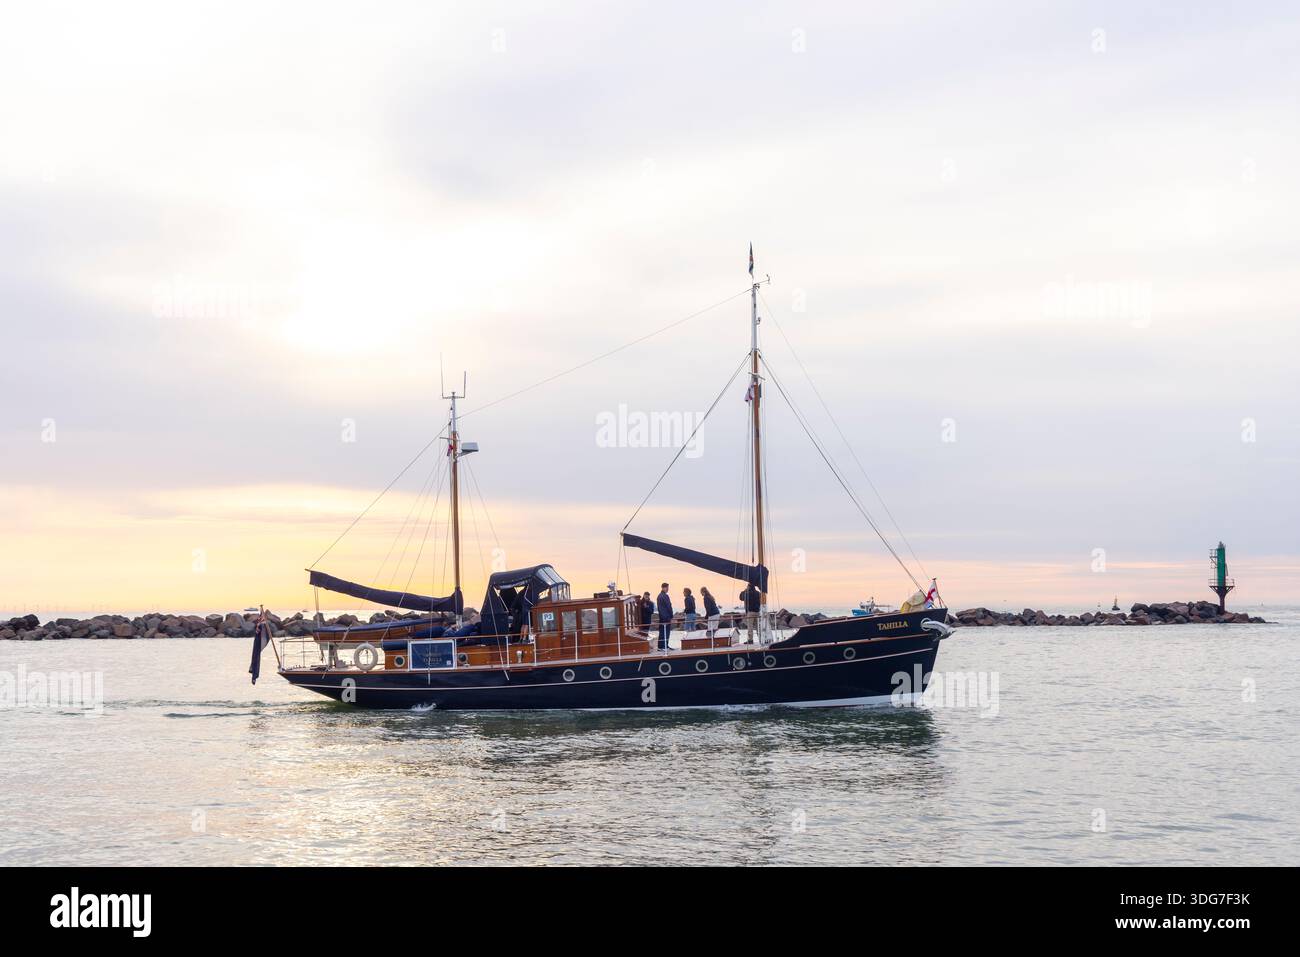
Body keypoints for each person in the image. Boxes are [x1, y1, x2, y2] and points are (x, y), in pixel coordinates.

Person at [656, 583, 674, 651]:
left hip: (662, 617)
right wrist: (671, 615)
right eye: (667, 588)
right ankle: (664, 646)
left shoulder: (659, 596)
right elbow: (669, 606)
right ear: (663, 588)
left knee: (662, 632)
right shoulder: (665, 596)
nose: (668, 589)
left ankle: (661, 646)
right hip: (666, 617)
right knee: (666, 632)